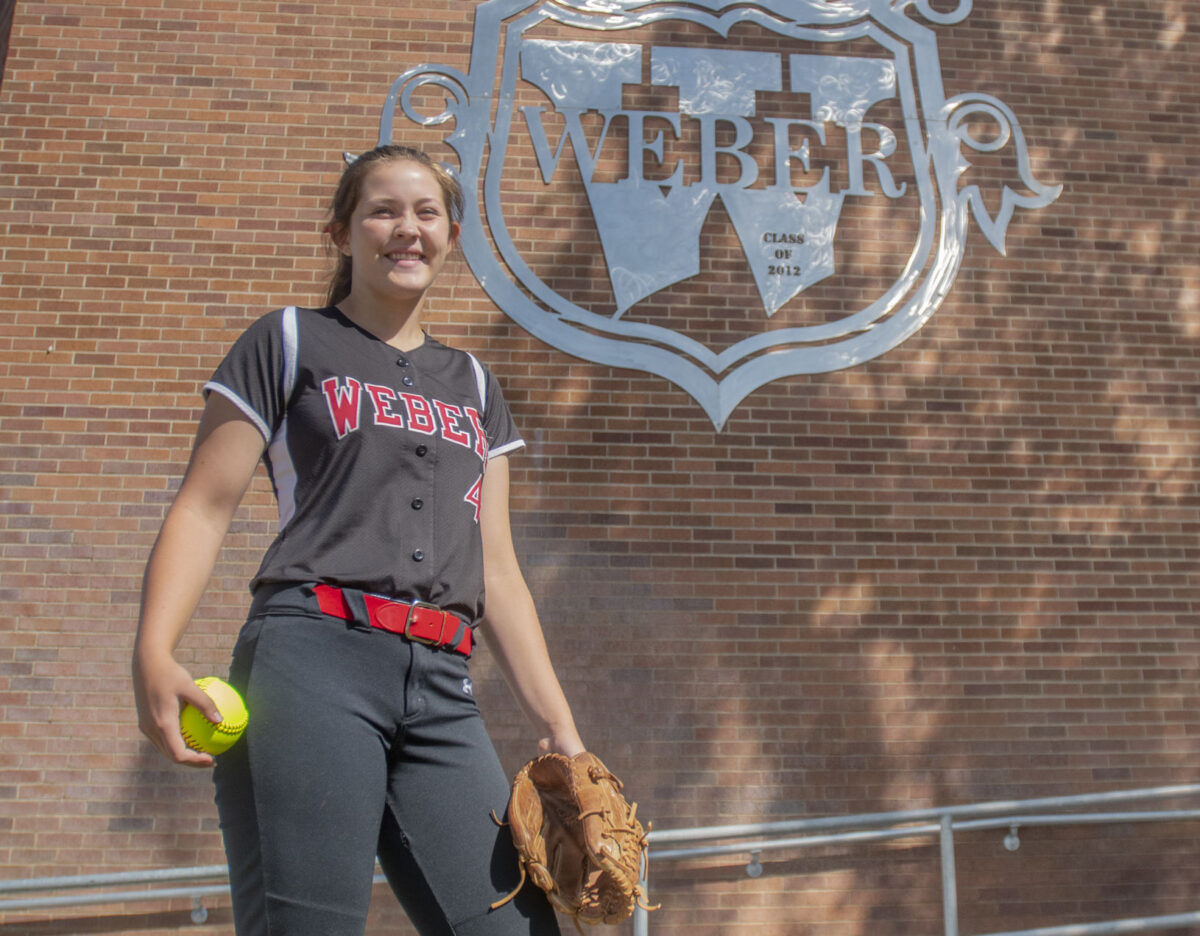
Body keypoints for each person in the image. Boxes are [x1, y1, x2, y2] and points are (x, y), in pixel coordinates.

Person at [132, 143, 584, 936]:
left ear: (448, 236)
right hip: (312, 664)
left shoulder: (474, 385)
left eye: (426, 212)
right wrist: (153, 650)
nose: (406, 228)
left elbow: (499, 570)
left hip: (443, 683)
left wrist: (560, 726)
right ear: (341, 233)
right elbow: (205, 506)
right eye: (383, 210)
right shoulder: (289, 341)